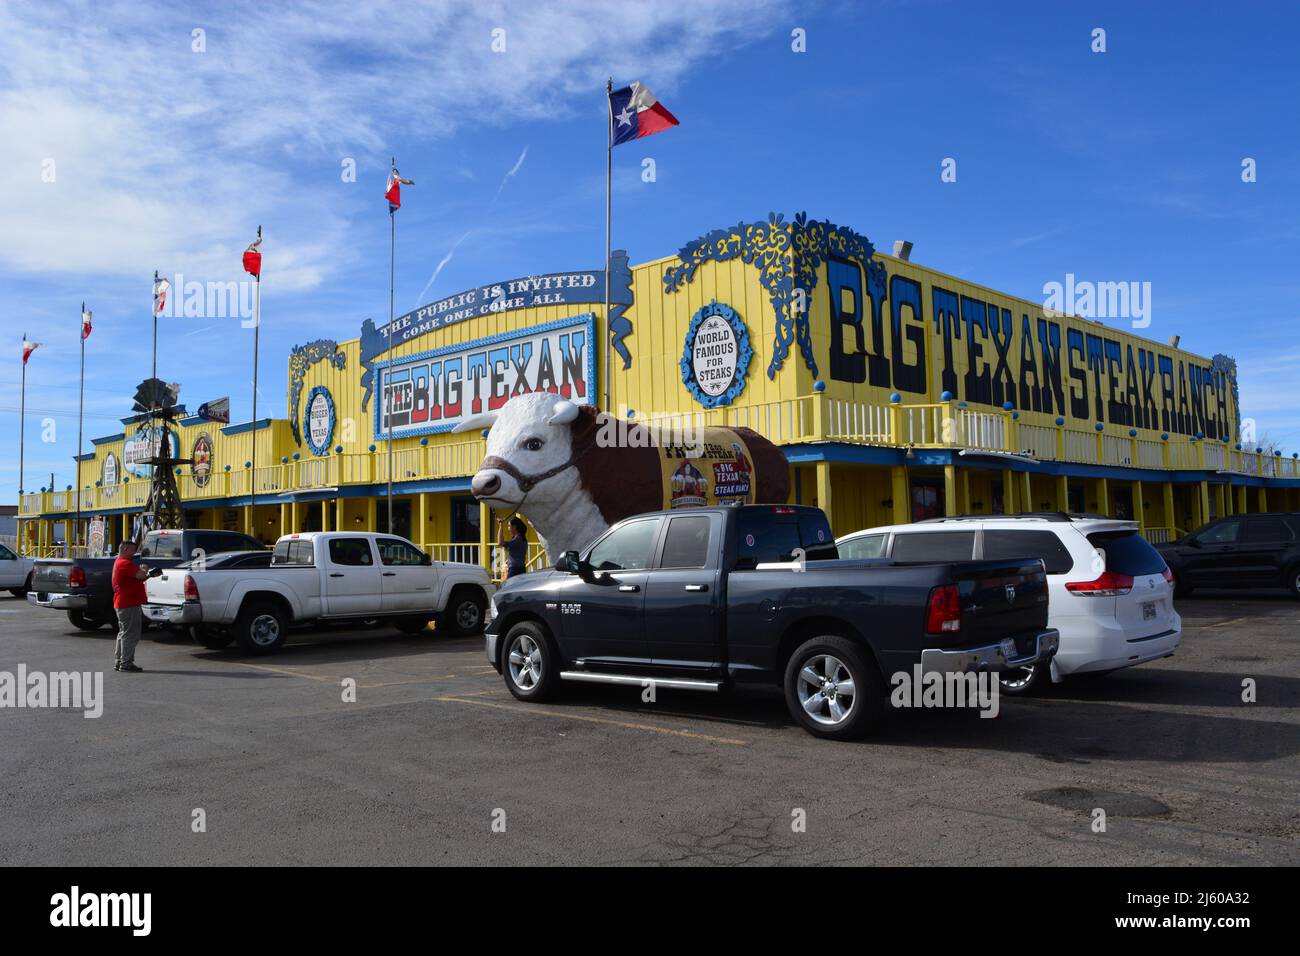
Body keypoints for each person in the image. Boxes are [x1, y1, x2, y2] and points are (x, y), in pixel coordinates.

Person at [111, 540, 157, 673]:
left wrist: (147, 575)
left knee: (123, 633)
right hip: (128, 603)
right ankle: (126, 663)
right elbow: (140, 575)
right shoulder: (125, 563)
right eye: (132, 550)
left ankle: (120, 661)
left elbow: (138, 578)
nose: (134, 553)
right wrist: (145, 569)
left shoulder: (119, 562)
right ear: (124, 548)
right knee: (131, 634)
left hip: (123, 602)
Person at [498, 516, 529, 581]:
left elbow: (500, 542)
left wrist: (500, 527)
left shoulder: (517, 540)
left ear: (514, 527)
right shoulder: (522, 539)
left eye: (509, 526)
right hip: (521, 569)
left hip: (514, 570)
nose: (508, 528)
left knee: (511, 589)